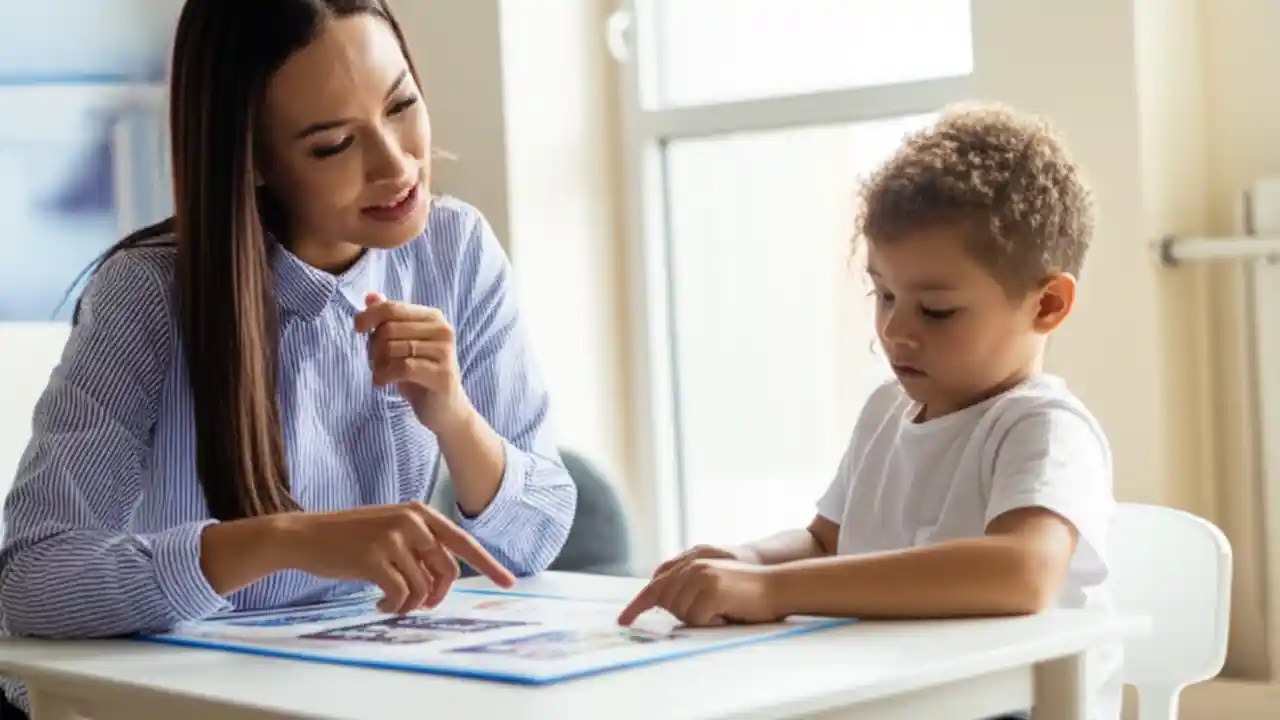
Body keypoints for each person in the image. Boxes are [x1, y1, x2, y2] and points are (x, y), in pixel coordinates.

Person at [0, 1, 576, 716]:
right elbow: (34, 580)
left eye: (402, 104)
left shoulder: (456, 251)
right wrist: (285, 539)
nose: (397, 164)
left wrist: (455, 417)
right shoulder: (148, 295)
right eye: (334, 144)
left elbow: (536, 538)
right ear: (253, 158)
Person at [618, 105, 1120, 719]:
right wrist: (744, 561)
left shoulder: (1043, 427)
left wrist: (772, 590)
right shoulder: (888, 408)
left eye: (935, 310)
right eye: (883, 294)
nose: (894, 331)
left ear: (1047, 304)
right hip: (895, 696)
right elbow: (825, 541)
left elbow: (1022, 571)